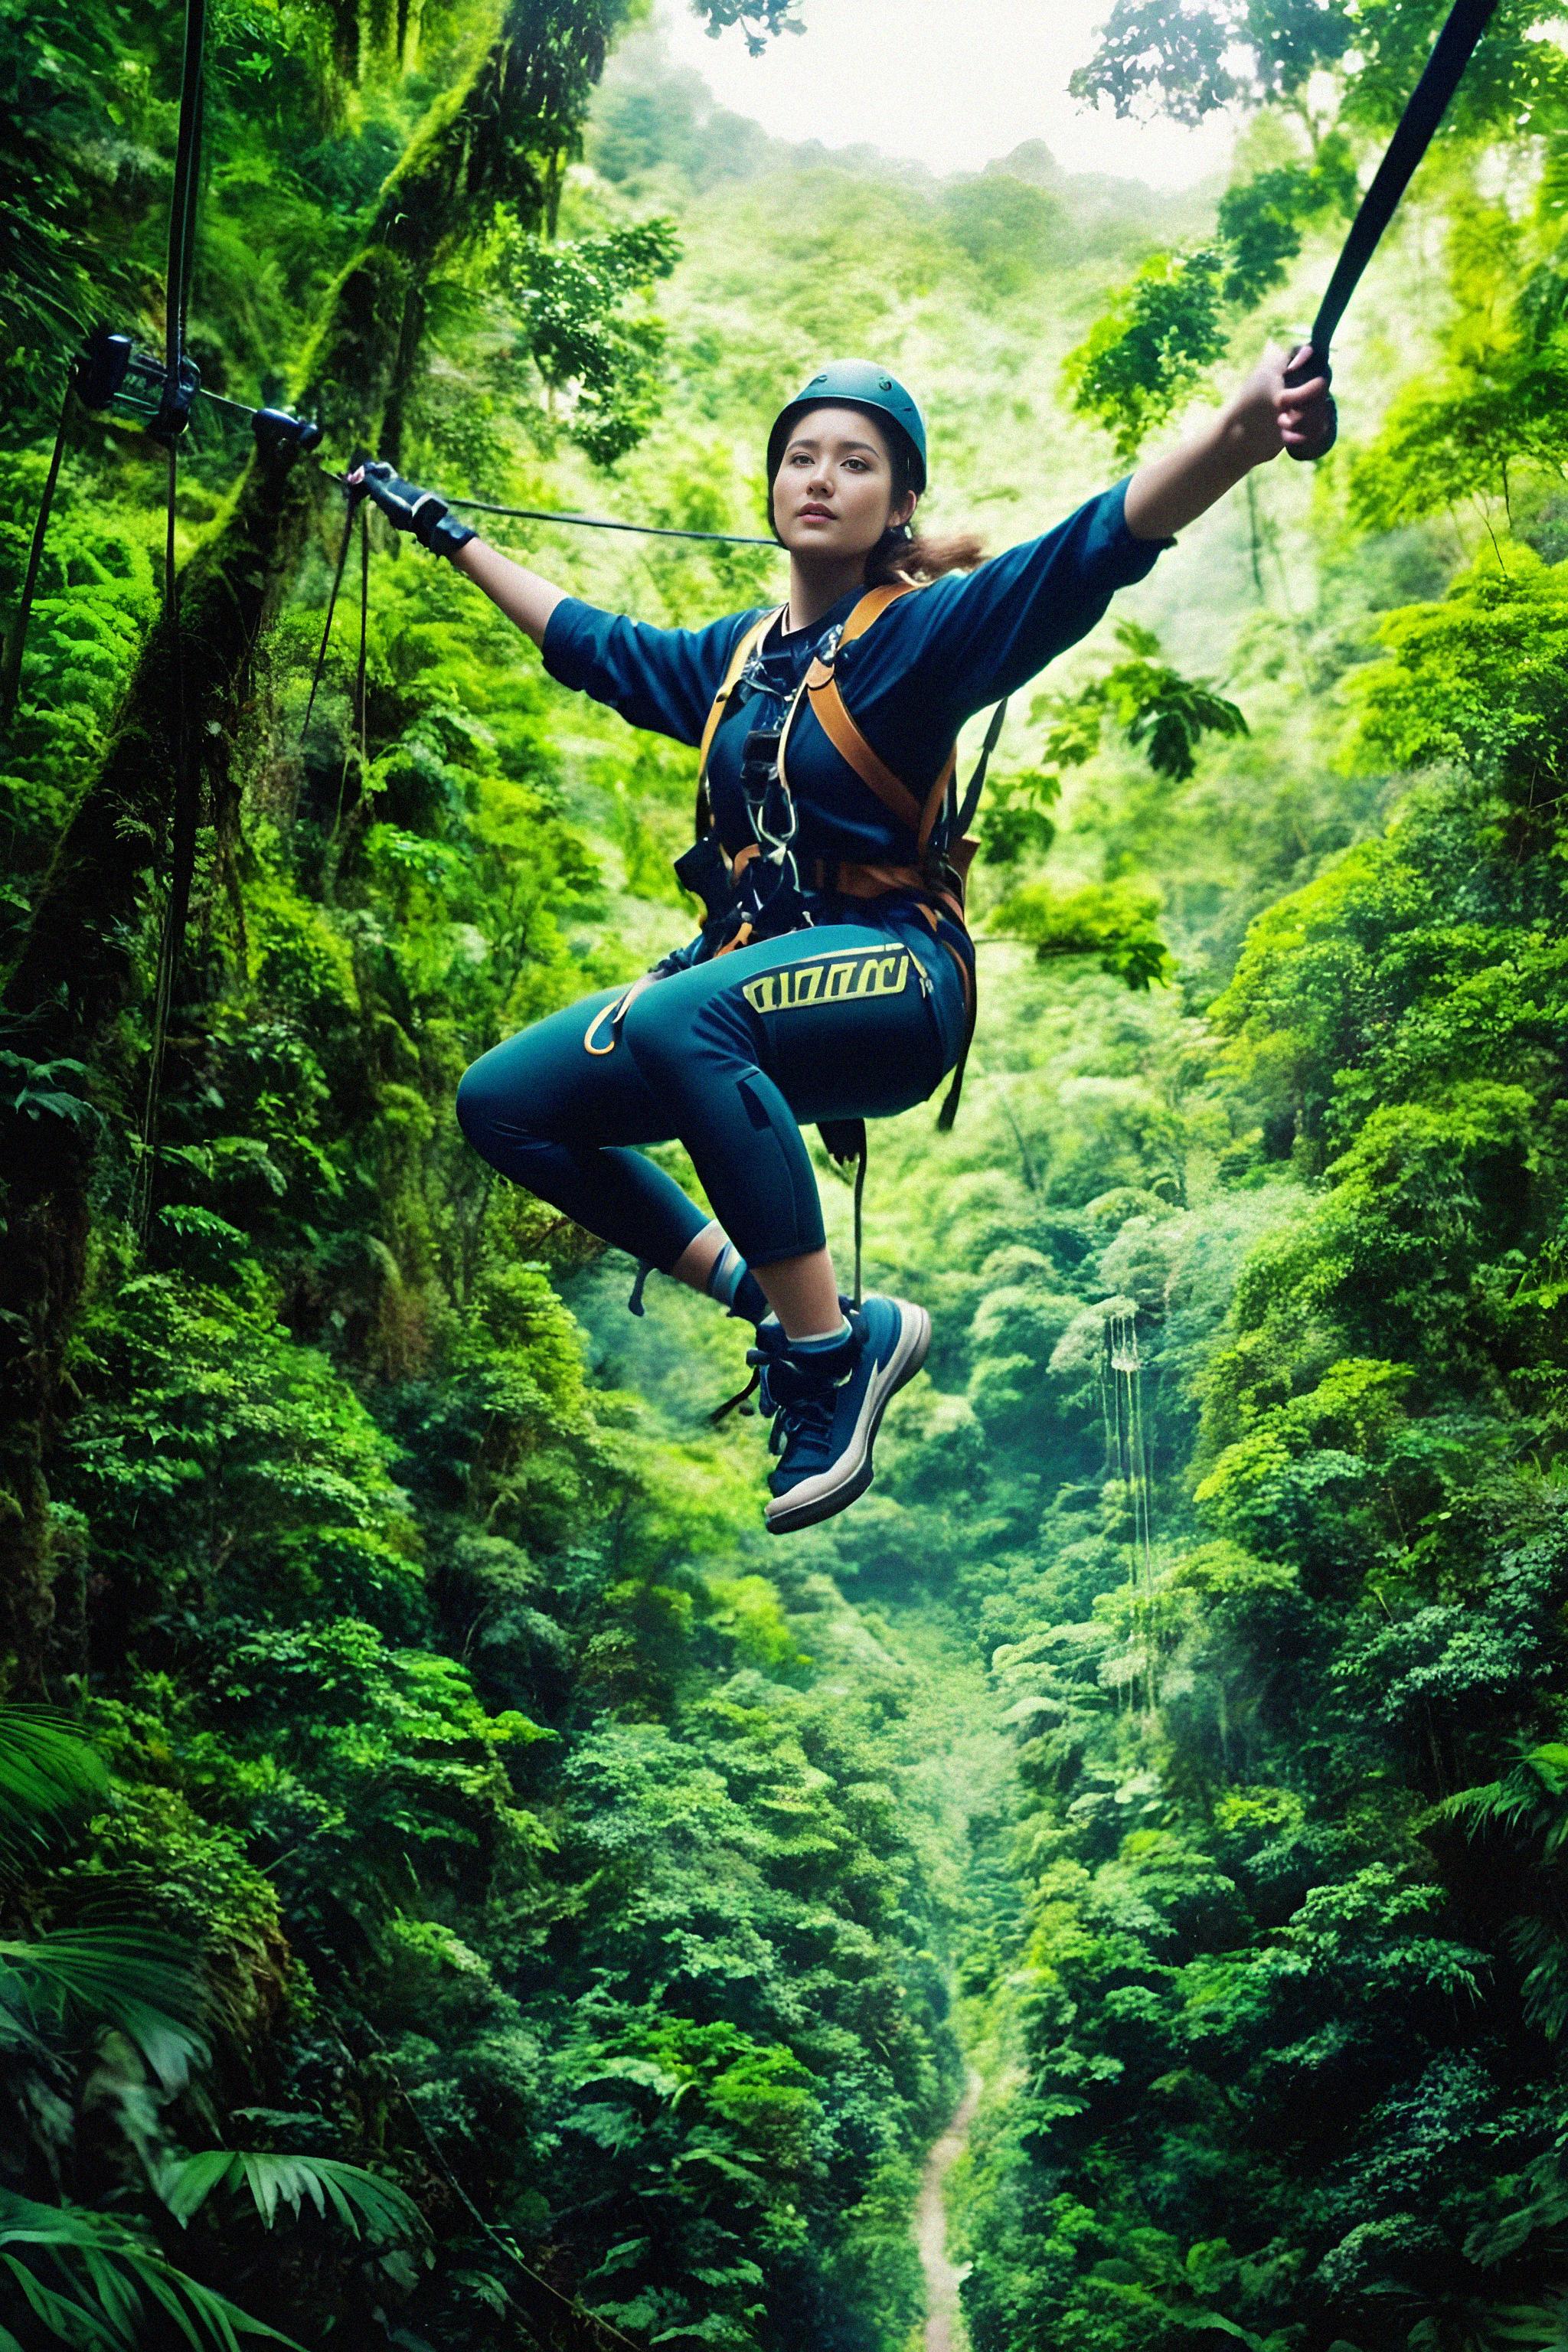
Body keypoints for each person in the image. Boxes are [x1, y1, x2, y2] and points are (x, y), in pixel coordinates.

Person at [351, 345, 1334, 1535]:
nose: (821, 477)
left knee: (680, 1015)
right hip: (753, 987)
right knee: (505, 1103)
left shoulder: (919, 639)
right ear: (773, 487)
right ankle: (781, 1308)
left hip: (903, 976)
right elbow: (591, 644)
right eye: (801, 457)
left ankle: (833, 1358)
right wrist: (444, 530)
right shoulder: (735, 664)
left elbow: (1090, 552)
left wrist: (1237, 434)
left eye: (855, 462)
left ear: (898, 505)